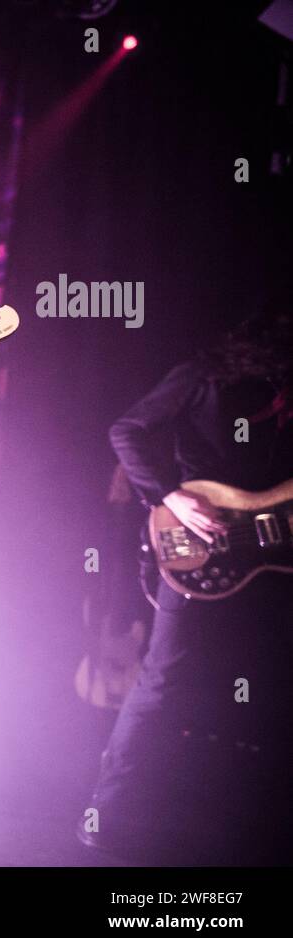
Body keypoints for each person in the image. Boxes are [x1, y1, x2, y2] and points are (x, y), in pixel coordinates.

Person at [81, 305, 293, 863]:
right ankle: (108, 813)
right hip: (198, 544)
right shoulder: (204, 376)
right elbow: (126, 429)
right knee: (162, 680)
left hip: (271, 556)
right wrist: (168, 493)